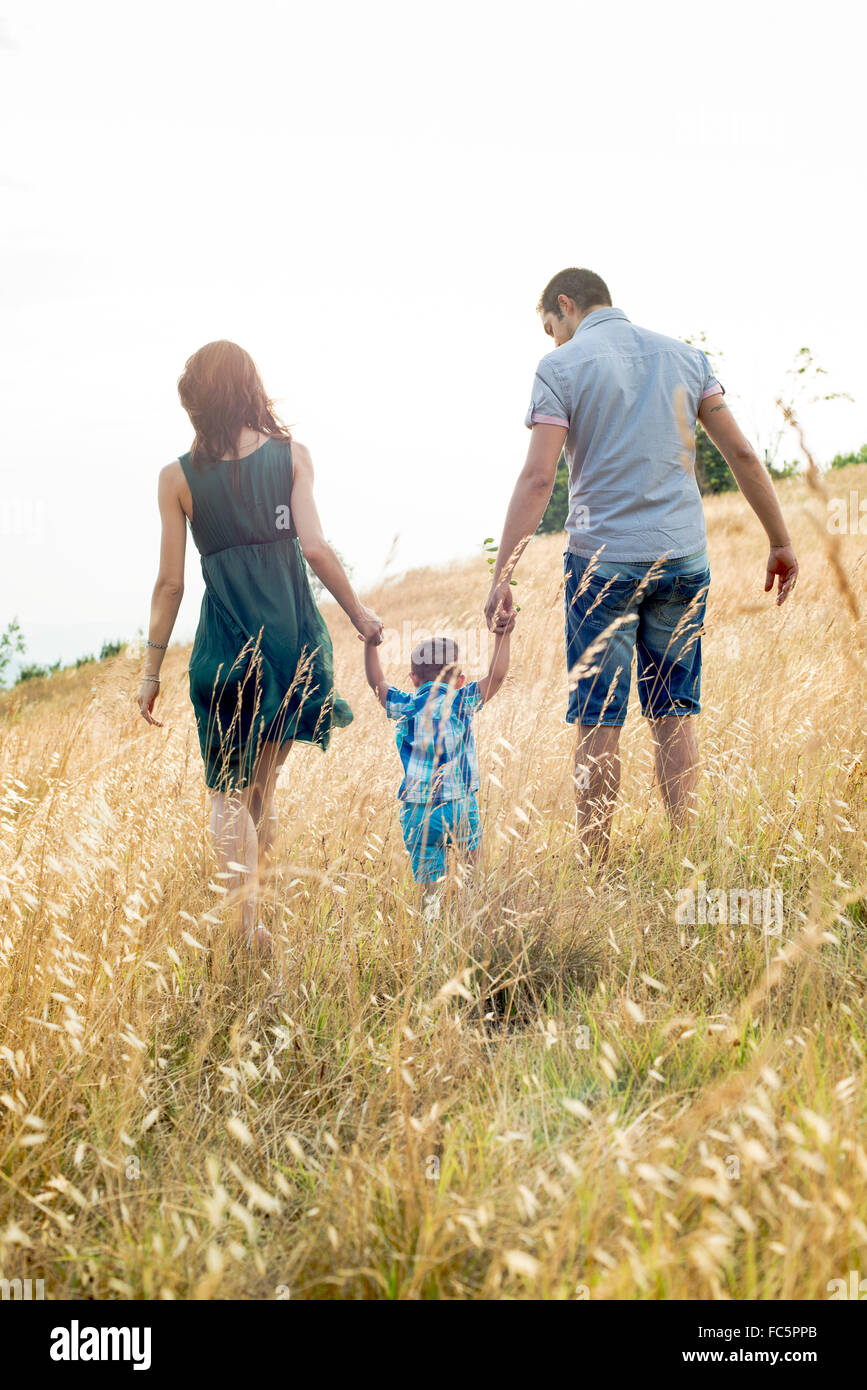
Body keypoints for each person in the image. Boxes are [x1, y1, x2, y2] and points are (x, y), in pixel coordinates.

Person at [484, 267, 799, 863]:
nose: (553, 341)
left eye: (552, 328)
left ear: (567, 305)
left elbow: (537, 477)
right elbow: (742, 452)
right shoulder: (686, 358)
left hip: (603, 566)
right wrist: (780, 540)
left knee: (598, 718)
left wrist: (503, 576)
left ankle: (595, 870)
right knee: (673, 710)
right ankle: (689, 856)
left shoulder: (561, 368)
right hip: (683, 557)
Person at [137, 339, 382, 950]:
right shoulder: (292, 457)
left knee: (228, 787)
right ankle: (256, 924)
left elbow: (170, 583)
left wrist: (150, 671)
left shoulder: (177, 479)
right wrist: (358, 614)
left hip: (224, 648)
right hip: (288, 641)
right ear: (250, 387)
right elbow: (317, 549)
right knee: (260, 789)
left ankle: (249, 930)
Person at [364, 629, 513, 887]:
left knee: (430, 886)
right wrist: (503, 634)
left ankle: (432, 920)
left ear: (413, 678)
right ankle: (469, 913)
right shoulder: (462, 700)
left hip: (417, 810)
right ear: (460, 680)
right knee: (471, 875)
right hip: (460, 805)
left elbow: (378, 684)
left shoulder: (407, 705)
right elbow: (496, 677)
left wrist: (370, 646)